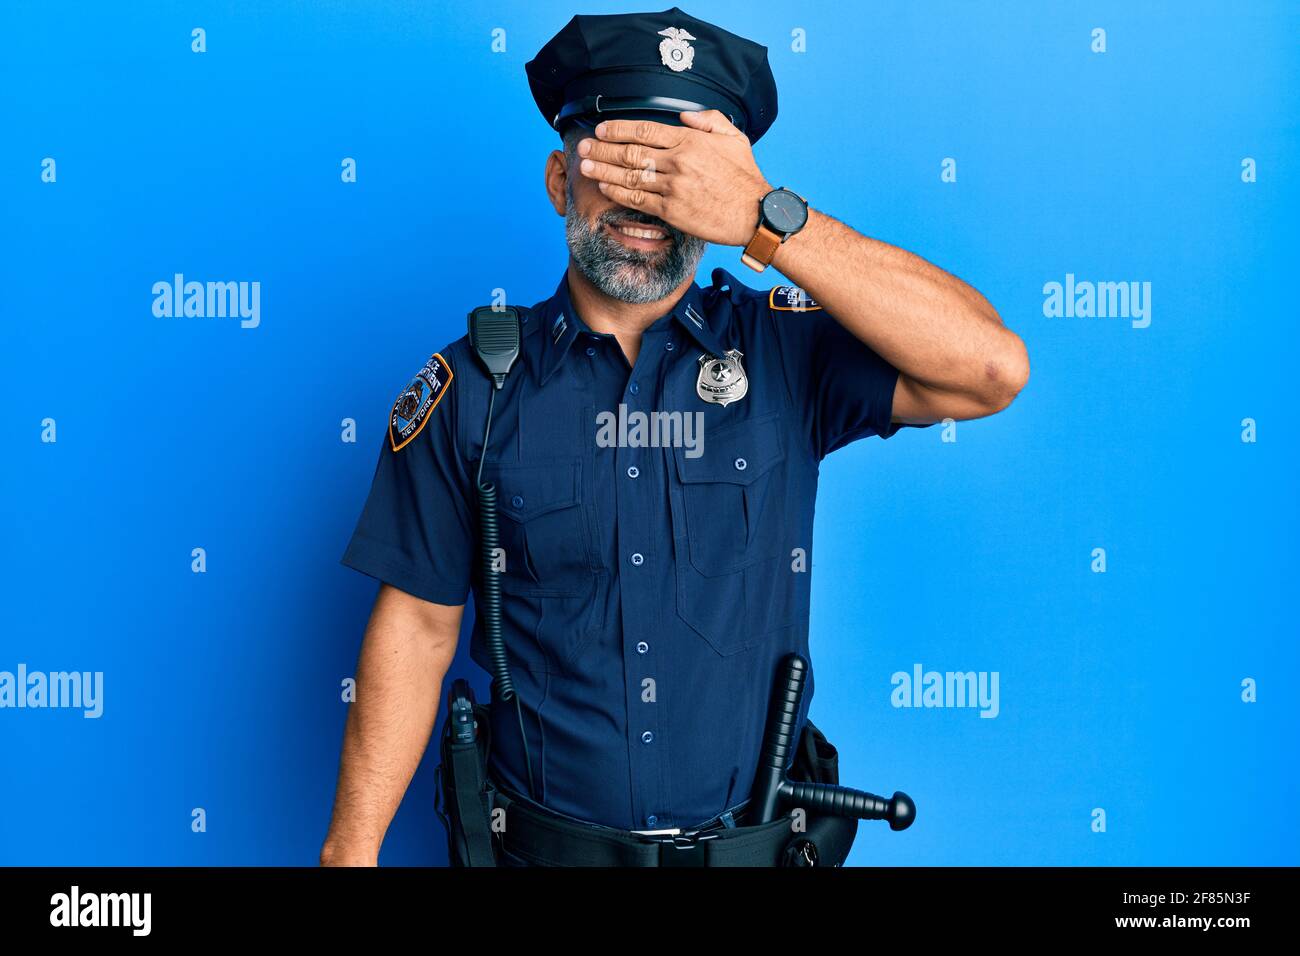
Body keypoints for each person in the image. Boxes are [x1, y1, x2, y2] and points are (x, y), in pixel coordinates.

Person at [321, 7, 1028, 867]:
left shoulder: (784, 349)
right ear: (559, 180)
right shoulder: (472, 387)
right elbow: (419, 628)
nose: (644, 198)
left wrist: (770, 220)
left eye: (677, 172)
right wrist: (347, 857)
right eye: (619, 161)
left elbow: (990, 369)